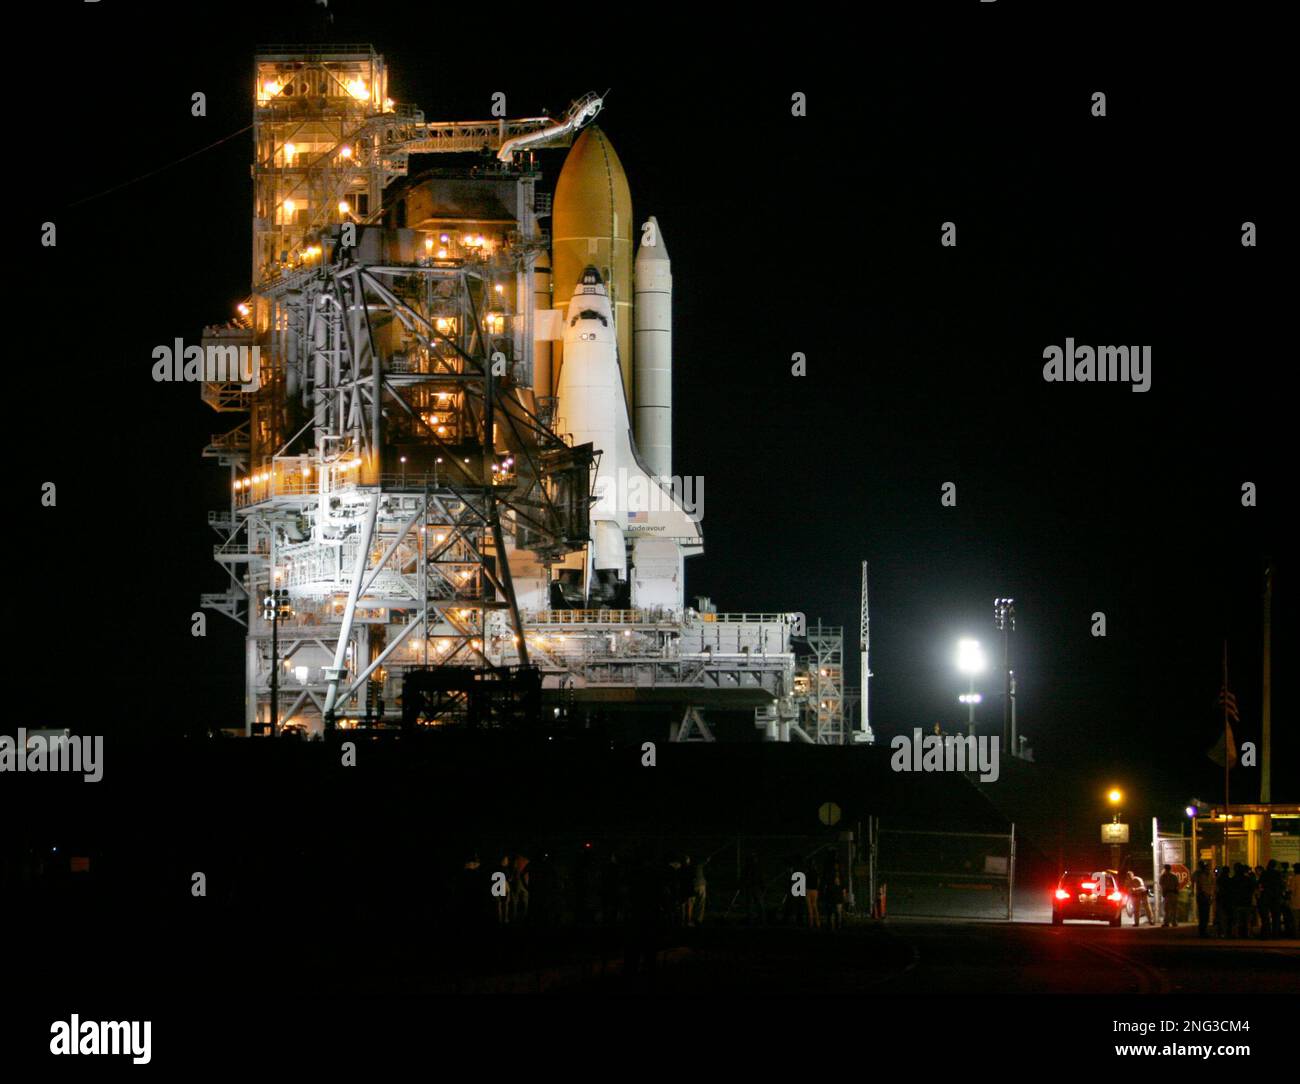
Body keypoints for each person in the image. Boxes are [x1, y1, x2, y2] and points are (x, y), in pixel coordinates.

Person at [1258, 859, 1284, 938]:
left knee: (1265, 917)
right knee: (1276, 916)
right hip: (1275, 897)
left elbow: (1260, 884)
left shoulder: (1264, 873)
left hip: (1266, 896)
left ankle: (1266, 933)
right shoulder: (1277, 874)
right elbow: (1281, 885)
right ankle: (1275, 934)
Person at [1192, 860, 1214, 938]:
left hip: (1206, 895)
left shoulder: (1209, 874)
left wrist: (1211, 895)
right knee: (1202, 914)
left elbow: (1211, 885)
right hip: (1202, 895)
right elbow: (1196, 883)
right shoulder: (1198, 874)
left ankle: (1204, 930)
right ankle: (1202, 931)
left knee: (1205, 914)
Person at [1215, 864, 1233, 937]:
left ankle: (1220, 932)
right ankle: (1226, 932)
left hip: (1221, 899)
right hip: (1226, 900)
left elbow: (1217, 889)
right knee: (1226, 916)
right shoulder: (1228, 880)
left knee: (1221, 916)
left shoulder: (1219, 879)